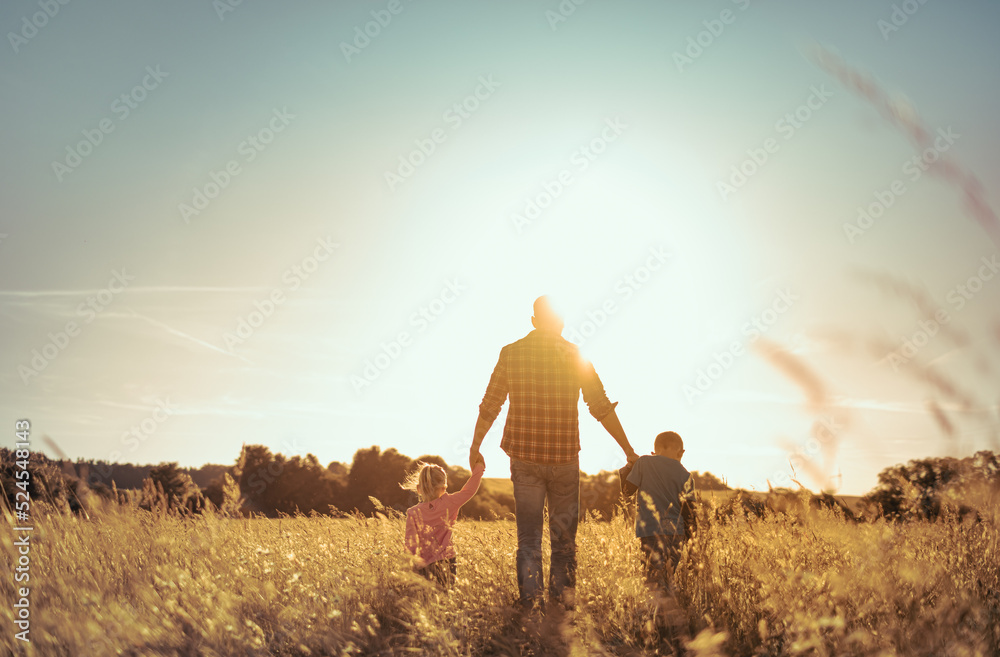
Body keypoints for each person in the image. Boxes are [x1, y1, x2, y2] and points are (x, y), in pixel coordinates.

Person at [470, 296, 638, 610]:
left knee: (529, 539)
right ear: (561, 322)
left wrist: (475, 445)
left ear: (533, 321)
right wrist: (628, 450)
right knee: (564, 543)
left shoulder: (511, 353)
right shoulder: (576, 355)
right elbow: (600, 407)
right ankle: (561, 606)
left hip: (525, 459)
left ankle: (531, 606)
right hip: (564, 460)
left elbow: (490, 404)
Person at [619, 431, 693, 587]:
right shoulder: (686, 475)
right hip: (676, 533)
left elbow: (626, 491)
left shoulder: (644, 462)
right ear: (681, 452)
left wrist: (628, 467)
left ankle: (655, 609)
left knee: (653, 578)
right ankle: (668, 607)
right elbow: (689, 513)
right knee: (668, 577)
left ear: (654, 452)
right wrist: (692, 541)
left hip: (650, 531)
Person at [402, 459, 485, 587]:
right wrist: (479, 468)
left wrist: (410, 568)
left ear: (419, 489)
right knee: (446, 597)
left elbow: (410, 544)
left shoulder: (413, 512)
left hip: (423, 565)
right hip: (447, 561)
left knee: (426, 601)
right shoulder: (449, 503)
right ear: (444, 487)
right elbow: (469, 490)